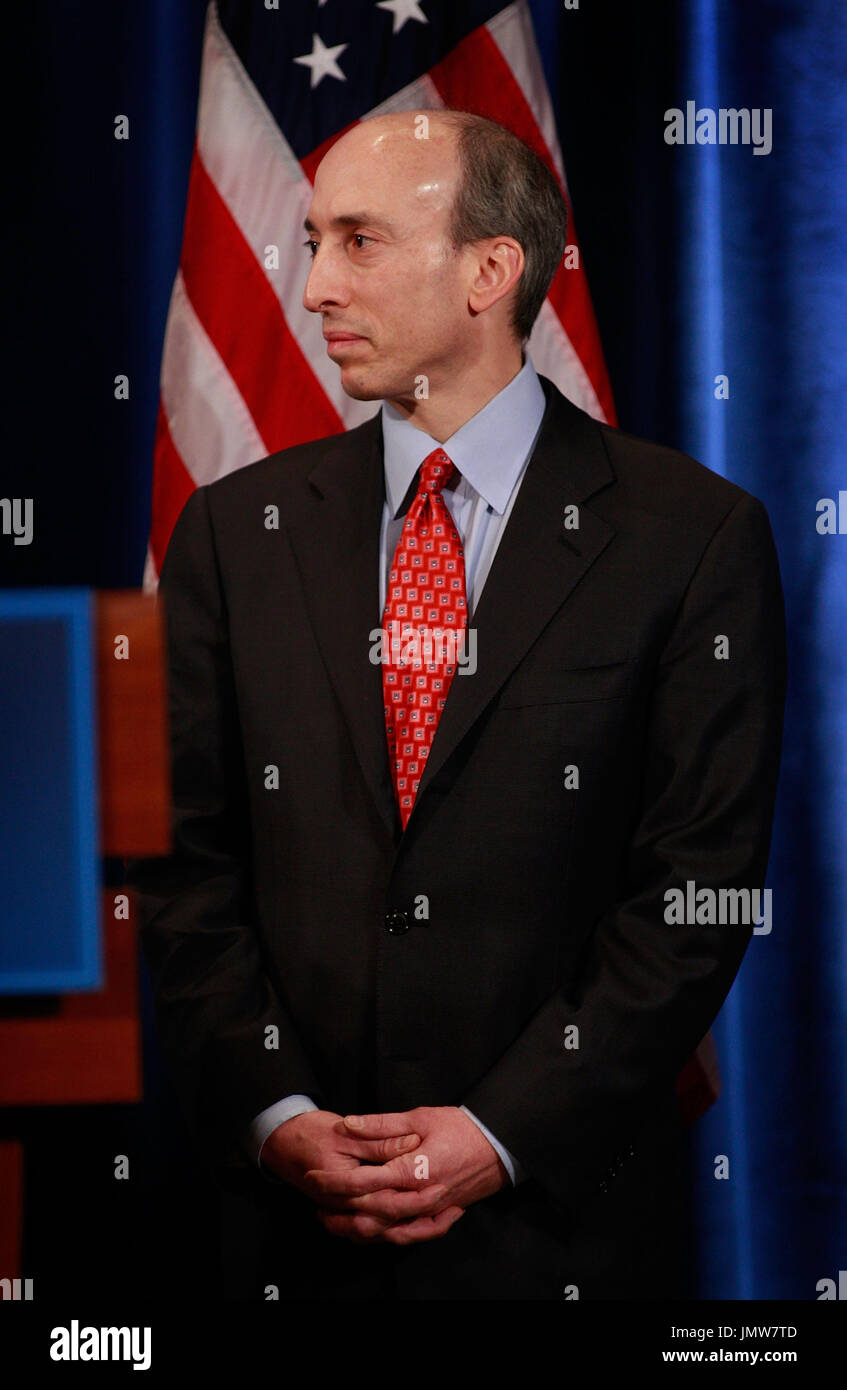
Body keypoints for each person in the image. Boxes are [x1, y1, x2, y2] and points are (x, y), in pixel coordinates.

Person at [127, 110, 786, 1300]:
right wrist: (277, 1113)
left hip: (561, 1234)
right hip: (282, 1236)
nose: (315, 283)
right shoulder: (233, 533)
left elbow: (692, 893)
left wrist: (496, 1133)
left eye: (360, 242)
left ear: (492, 270)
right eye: (315, 239)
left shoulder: (689, 540)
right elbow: (183, 869)